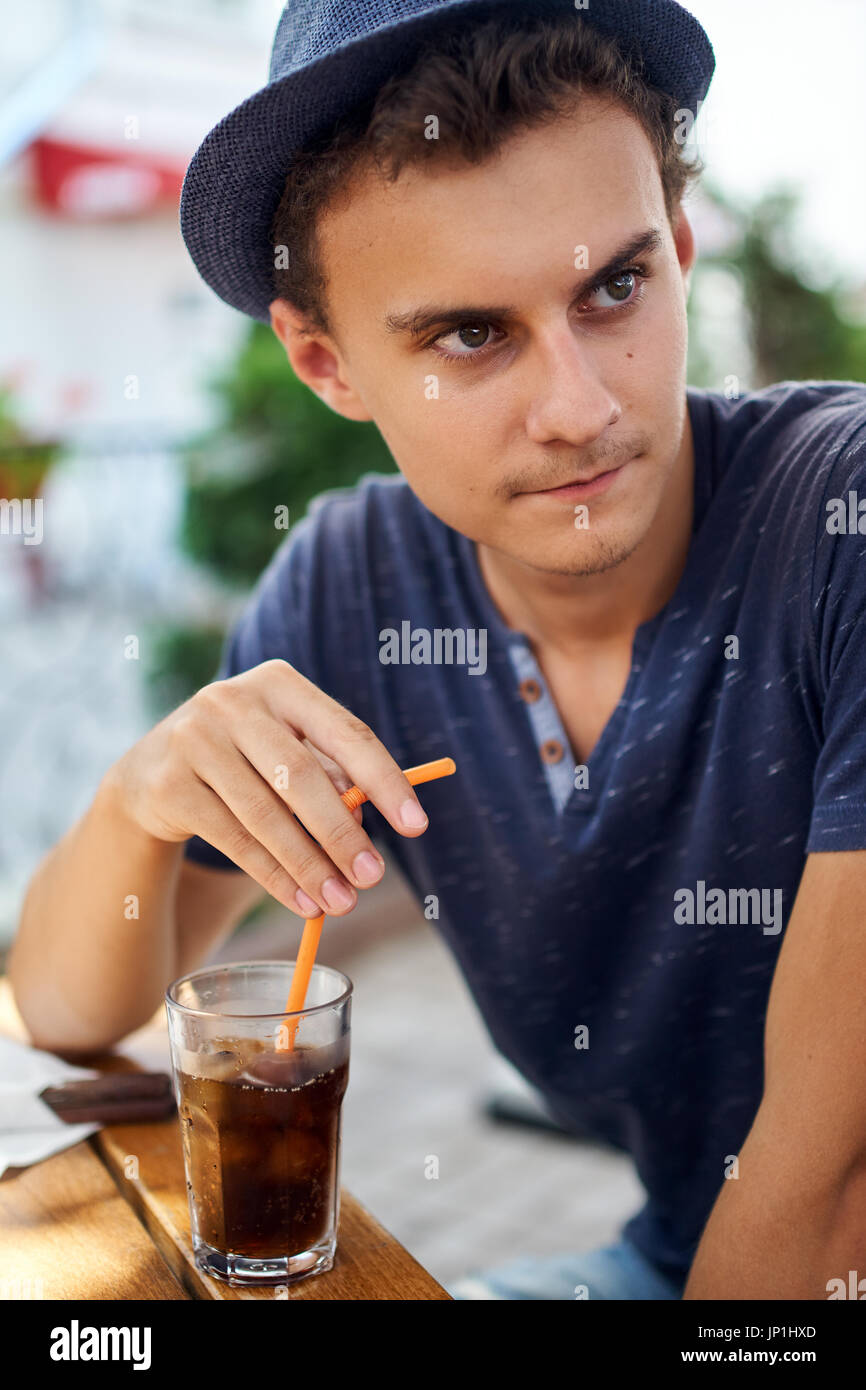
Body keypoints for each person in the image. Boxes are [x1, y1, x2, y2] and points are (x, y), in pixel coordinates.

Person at [10, 0, 866, 1300]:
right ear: (326, 361)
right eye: (470, 333)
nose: (579, 407)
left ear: (680, 250)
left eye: (615, 286)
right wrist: (141, 799)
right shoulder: (354, 588)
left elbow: (824, 1196)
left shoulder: (838, 525)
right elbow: (65, 1015)